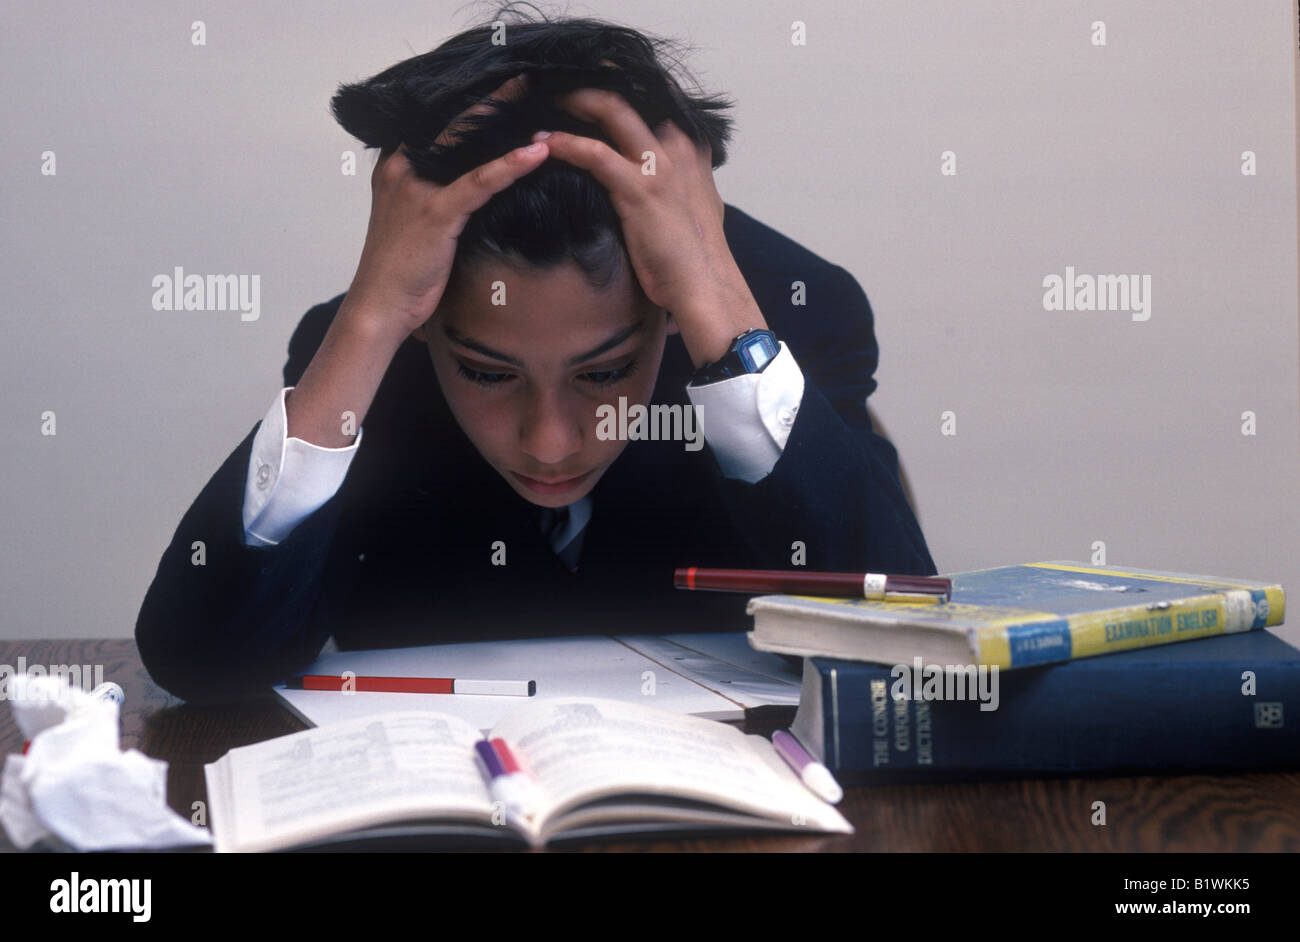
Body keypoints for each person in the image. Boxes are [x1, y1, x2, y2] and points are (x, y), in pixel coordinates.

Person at [135, 11, 937, 704]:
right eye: (487, 372)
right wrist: (369, 319)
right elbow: (200, 661)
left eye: (602, 372)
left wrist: (717, 304)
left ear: (665, 307)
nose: (550, 444)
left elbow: (907, 640)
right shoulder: (368, 353)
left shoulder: (790, 311)